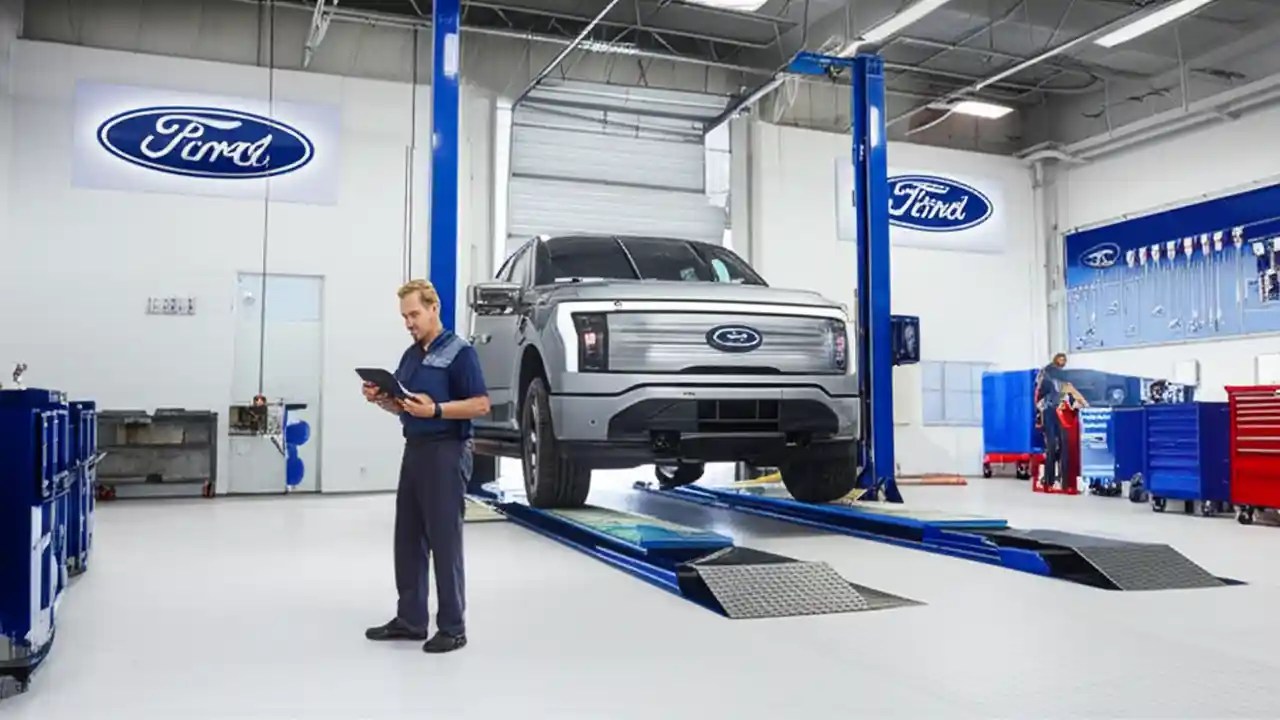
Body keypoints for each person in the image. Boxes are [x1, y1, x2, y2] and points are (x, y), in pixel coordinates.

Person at [361, 279, 490, 654]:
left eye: (414, 314)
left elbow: (481, 404)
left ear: (434, 308)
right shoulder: (410, 355)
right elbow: (405, 406)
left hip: (447, 451)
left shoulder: (460, 353)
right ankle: (411, 619)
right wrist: (382, 399)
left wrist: (436, 409)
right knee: (408, 538)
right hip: (415, 449)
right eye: (404, 317)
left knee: (444, 541)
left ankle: (453, 627)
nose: (409, 322)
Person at [1034, 353, 1087, 488]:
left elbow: (1071, 392)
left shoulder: (1063, 378)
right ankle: (1051, 479)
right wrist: (1040, 412)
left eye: (1064, 360)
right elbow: (1039, 395)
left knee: (1063, 445)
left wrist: (1079, 403)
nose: (1063, 362)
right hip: (1050, 411)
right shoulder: (1047, 374)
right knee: (1053, 446)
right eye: (1061, 359)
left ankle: (1061, 480)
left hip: (1059, 411)